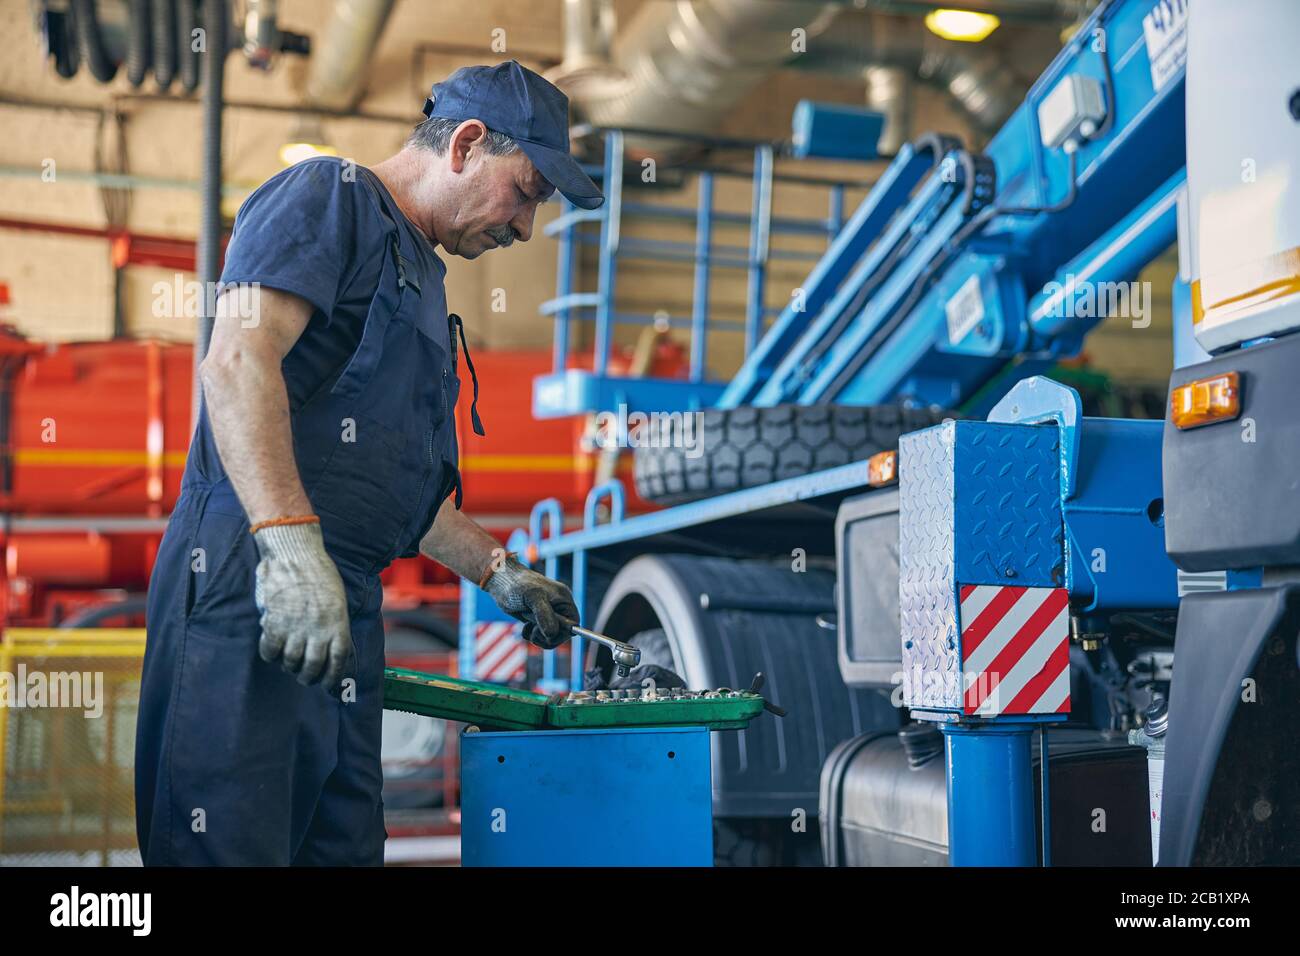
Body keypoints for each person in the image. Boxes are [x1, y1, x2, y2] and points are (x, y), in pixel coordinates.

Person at [135, 60, 603, 865]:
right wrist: (287, 544)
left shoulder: (421, 274)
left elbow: (400, 492)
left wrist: (499, 572)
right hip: (252, 584)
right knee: (230, 846)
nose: (526, 227)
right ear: (465, 144)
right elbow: (237, 363)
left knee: (342, 849)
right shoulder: (328, 196)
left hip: (341, 606)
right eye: (526, 193)